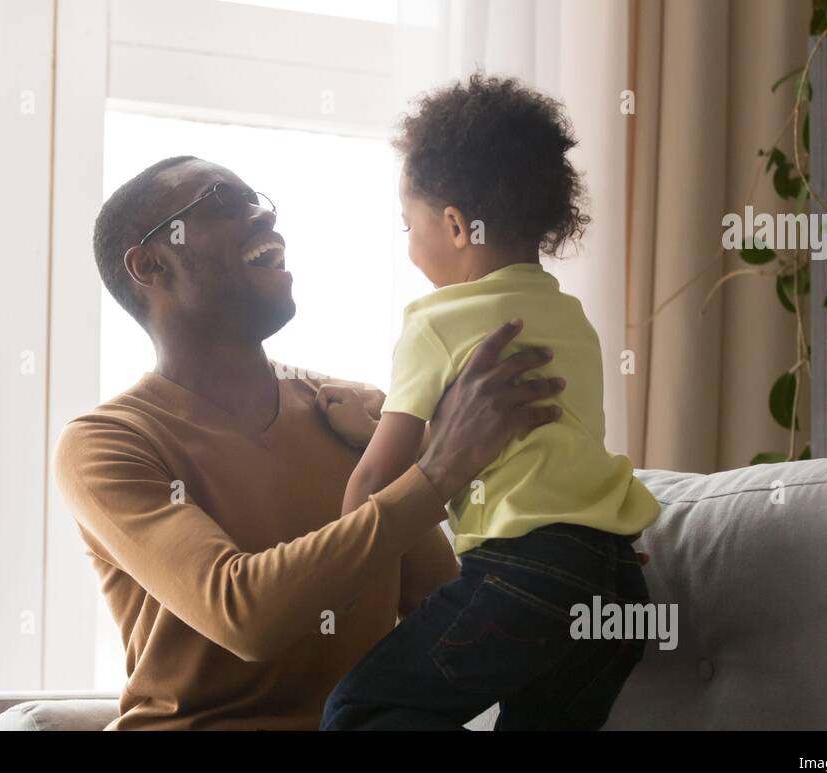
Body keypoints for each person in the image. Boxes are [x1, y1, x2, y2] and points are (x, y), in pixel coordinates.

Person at [52, 154, 566, 729]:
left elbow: (440, 605)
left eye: (261, 202)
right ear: (150, 264)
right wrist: (439, 467)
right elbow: (244, 615)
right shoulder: (106, 444)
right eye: (222, 201)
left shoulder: (356, 414)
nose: (262, 216)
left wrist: (586, 550)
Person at [320, 74, 661, 731]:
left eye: (408, 225)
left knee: (359, 709)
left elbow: (376, 488)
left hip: (522, 577)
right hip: (615, 582)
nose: (409, 244)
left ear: (453, 225)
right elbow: (540, 453)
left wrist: (344, 560)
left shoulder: (435, 320)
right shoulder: (572, 319)